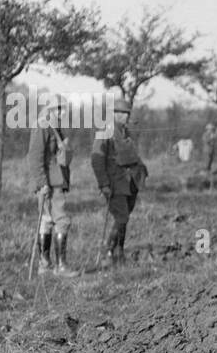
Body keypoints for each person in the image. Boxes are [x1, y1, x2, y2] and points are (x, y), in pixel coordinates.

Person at [90, 98, 149, 267]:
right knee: (121, 216)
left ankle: (119, 253)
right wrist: (103, 184)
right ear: (113, 114)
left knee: (124, 217)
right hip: (114, 182)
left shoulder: (126, 132)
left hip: (129, 182)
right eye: (120, 113)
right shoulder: (105, 131)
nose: (123, 116)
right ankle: (108, 252)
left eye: (126, 113)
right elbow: (97, 160)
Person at [27, 98, 78, 276]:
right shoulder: (43, 127)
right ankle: (60, 267)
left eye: (62, 109)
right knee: (62, 221)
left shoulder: (53, 128)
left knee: (47, 222)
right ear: (48, 110)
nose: (61, 113)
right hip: (50, 183)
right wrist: (42, 183)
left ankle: (45, 265)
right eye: (58, 109)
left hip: (55, 181)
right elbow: (34, 157)